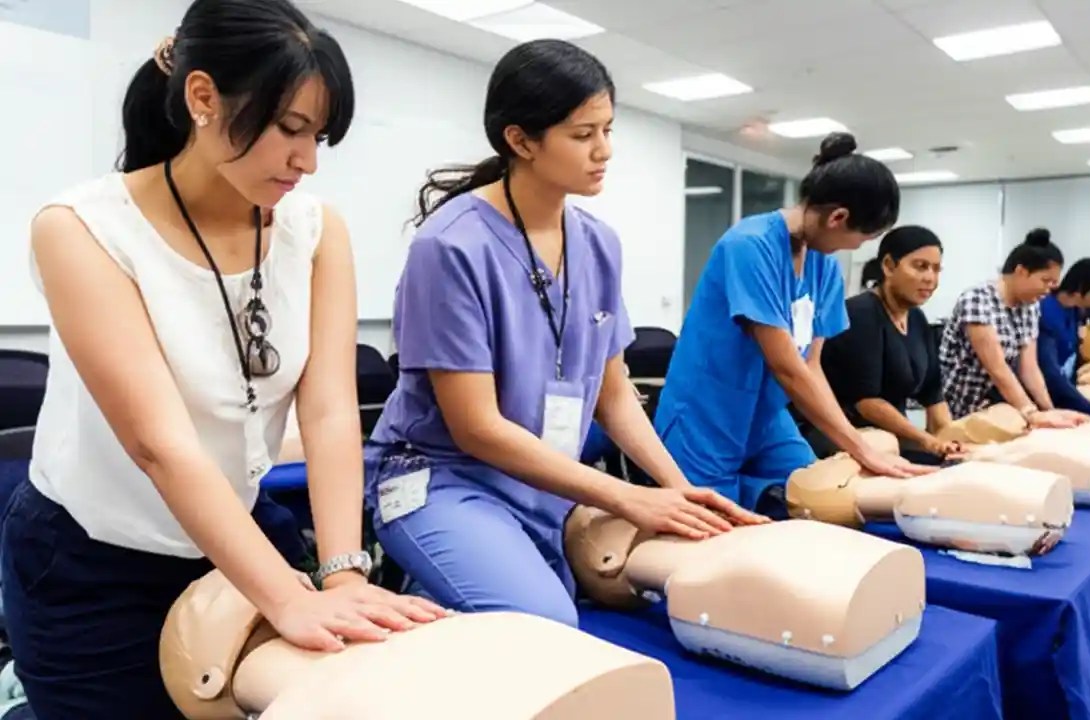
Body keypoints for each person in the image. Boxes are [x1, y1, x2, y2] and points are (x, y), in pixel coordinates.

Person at [2, 3, 445, 718]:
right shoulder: (82, 228)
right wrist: (281, 597)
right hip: (90, 562)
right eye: (290, 130)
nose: (307, 161)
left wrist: (341, 574)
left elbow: (330, 410)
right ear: (202, 97)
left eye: (320, 137)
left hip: (239, 539)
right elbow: (159, 444)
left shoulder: (315, 229)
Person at [365, 40, 764, 630]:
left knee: (611, 599)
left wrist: (679, 489)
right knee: (547, 624)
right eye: (583, 135)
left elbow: (614, 392)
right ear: (521, 141)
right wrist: (624, 496)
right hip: (439, 479)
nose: (604, 151)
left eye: (607, 129)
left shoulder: (598, 244)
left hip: (538, 487)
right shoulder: (450, 247)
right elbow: (476, 428)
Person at [654, 133, 931, 517]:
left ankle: (755, 495)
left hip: (767, 417)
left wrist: (853, 447)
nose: (859, 247)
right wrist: (858, 445)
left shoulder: (824, 267)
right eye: (864, 237)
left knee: (821, 499)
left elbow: (811, 366)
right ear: (838, 218)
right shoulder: (750, 246)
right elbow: (786, 366)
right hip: (706, 416)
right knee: (712, 528)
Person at [813, 226, 958, 463]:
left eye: (936, 269)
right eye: (920, 266)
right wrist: (926, 440)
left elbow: (933, 395)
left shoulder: (917, 319)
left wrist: (950, 441)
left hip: (893, 438)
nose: (930, 278)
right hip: (846, 440)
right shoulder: (859, 314)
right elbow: (867, 402)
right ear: (889, 266)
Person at [938, 231, 1088, 427]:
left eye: (1053, 284)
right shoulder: (977, 300)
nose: (1048, 290)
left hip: (1000, 405)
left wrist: (1050, 411)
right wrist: (1030, 412)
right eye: (1045, 281)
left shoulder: (1030, 306)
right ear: (1021, 271)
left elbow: (1030, 369)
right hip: (962, 410)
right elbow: (997, 367)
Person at [1039, 256, 1090, 416]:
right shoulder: (1046, 313)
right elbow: (1050, 373)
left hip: (1065, 391)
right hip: (1046, 396)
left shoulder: (1075, 311)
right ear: (1079, 290)